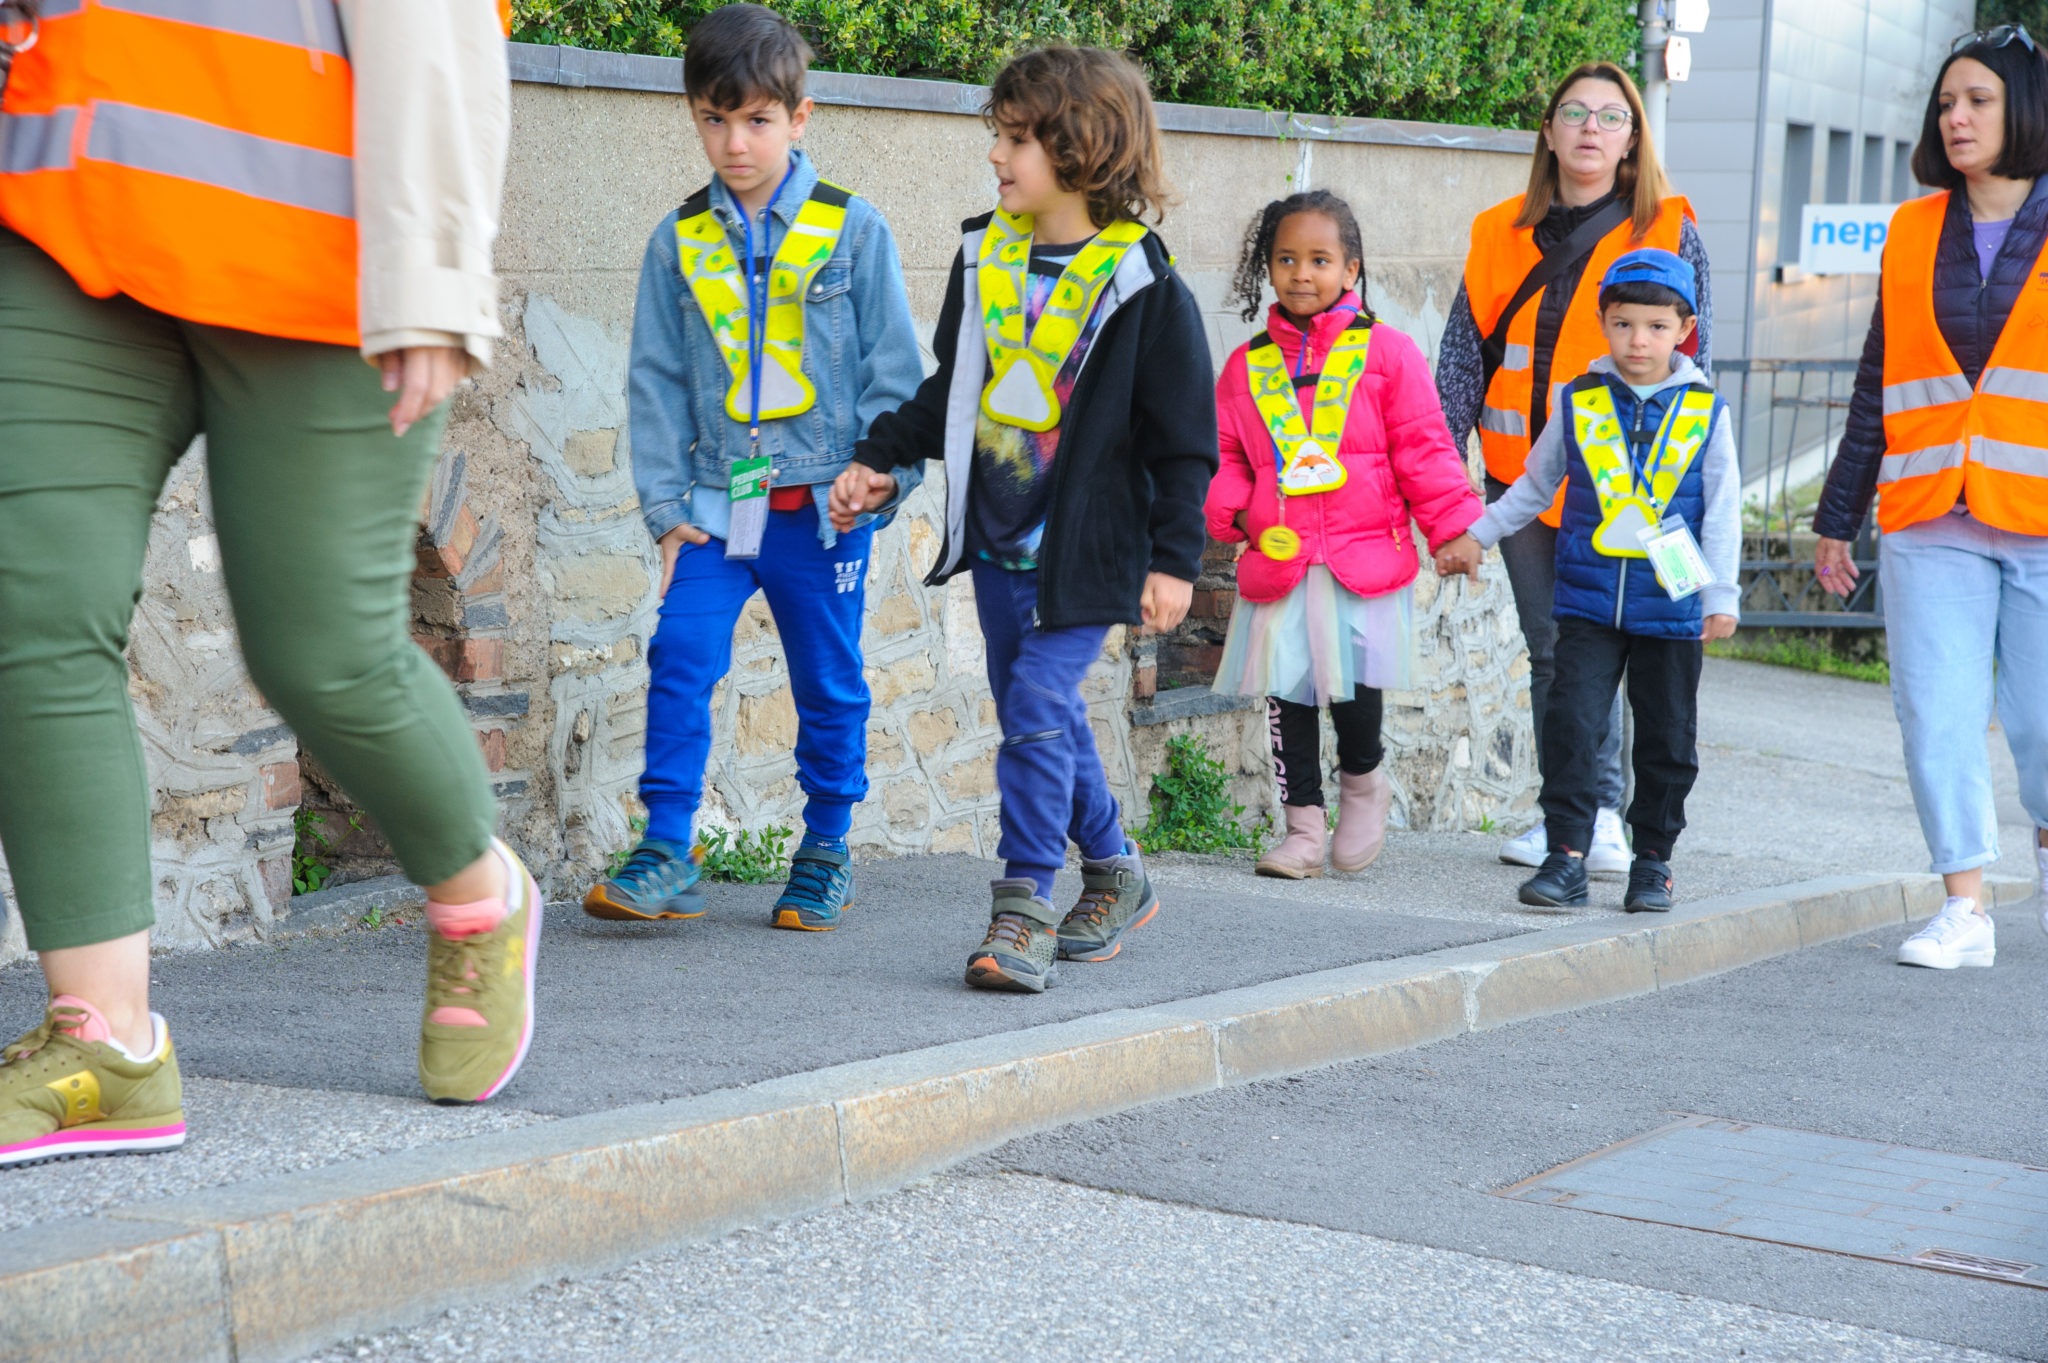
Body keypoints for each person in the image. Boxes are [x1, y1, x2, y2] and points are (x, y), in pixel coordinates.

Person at [0, 1, 527, 1168]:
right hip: (64, 211)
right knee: (23, 607)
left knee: (320, 652)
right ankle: (107, 1045)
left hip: (312, 246)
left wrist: (436, 265)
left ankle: (475, 884)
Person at [830, 47, 1216, 992]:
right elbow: (951, 389)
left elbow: (1184, 442)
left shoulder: (1146, 285)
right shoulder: (984, 254)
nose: (996, 158)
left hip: (1087, 553)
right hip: (1001, 547)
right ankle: (1117, 868)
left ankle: (1024, 908)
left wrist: (1174, 559)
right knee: (1038, 714)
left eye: (1015, 140)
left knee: (1038, 707)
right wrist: (884, 456)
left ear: (1080, 147)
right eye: (997, 138)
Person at [584, 5, 923, 932]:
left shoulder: (855, 232)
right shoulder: (676, 241)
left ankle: (823, 848)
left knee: (829, 677)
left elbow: (897, 376)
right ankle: (666, 846)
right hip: (714, 508)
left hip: (822, 514)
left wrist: (881, 479)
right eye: (713, 118)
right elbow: (653, 381)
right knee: (681, 653)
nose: (735, 143)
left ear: (800, 117)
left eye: (758, 120)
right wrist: (664, 509)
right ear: (694, 115)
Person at [1436, 61, 1712, 877]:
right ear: (1548, 132)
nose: (1591, 127)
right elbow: (1462, 358)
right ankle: (1574, 811)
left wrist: (1695, 486)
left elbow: (1701, 356)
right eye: (1574, 113)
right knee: (1554, 650)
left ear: (1632, 141)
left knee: (1628, 645)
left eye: (1611, 116)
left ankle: (1608, 816)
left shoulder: (1668, 226)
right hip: (1522, 476)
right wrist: (1441, 473)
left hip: (1638, 484)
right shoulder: (1498, 231)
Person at [1813, 26, 2048, 970]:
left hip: (2039, 520)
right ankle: (1965, 908)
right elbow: (1880, 378)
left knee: (2041, 722)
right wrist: (1837, 516)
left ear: (2024, 108)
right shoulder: (1912, 229)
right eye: (1946, 103)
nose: (1956, 117)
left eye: (1978, 100)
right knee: (1937, 712)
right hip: (1930, 517)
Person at [1436, 250, 1739, 912]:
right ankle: (1566, 855)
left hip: (1674, 604)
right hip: (1586, 600)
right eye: (1624, 323)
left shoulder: (1707, 411)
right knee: (1571, 723)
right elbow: (1533, 487)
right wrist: (1476, 534)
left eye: (1657, 327)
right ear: (1603, 321)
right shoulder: (1580, 401)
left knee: (1667, 735)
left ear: (1684, 329)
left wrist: (1721, 596)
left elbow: (1723, 509)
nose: (1639, 340)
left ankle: (1653, 860)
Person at [1204, 191, 1482, 879]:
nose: (1302, 273)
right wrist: (1237, 517)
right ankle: (1301, 827)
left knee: (1355, 689)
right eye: (1286, 259)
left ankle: (1364, 782)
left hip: (1362, 556)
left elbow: (1424, 446)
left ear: (1351, 269)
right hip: (1283, 561)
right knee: (1288, 694)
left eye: (1320, 259)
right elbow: (1224, 457)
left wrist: (1453, 530)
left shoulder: (1386, 354)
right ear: (1267, 269)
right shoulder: (1246, 367)